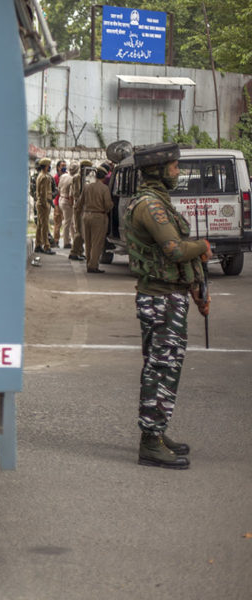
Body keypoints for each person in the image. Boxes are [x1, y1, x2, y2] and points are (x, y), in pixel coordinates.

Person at [121, 142, 211, 470]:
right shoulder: (150, 205)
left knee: (164, 366)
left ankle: (157, 433)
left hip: (165, 297)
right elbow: (173, 249)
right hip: (159, 300)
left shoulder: (158, 201)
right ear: (158, 170)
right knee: (161, 368)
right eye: (173, 166)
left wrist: (195, 287)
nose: (177, 172)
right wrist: (201, 246)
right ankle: (150, 441)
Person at [82, 166, 114, 273]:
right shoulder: (105, 188)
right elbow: (108, 205)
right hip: (99, 217)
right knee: (97, 243)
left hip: (86, 215)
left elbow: (79, 202)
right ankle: (93, 266)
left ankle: (89, 264)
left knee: (88, 242)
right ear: (104, 177)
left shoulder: (87, 187)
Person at [68, 160, 90, 261]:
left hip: (80, 206)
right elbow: (77, 193)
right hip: (79, 207)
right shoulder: (78, 178)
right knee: (79, 231)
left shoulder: (84, 178)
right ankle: (74, 252)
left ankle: (79, 251)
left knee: (81, 230)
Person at [34, 158, 55, 254]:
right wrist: (46, 205)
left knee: (40, 225)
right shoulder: (45, 177)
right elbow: (43, 193)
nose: (49, 167)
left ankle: (38, 245)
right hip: (43, 203)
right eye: (48, 165)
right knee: (45, 226)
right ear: (46, 166)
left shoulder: (40, 176)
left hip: (40, 203)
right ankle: (46, 246)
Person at [57, 161, 76, 249]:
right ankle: (66, 242)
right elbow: (71, 194)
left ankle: (73, 239)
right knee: (68, 223)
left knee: (70, 222)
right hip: (68, 201)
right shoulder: (73, 179)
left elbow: (59, 188)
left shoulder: (63, 176)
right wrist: (73, 205)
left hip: (61, 199)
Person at [51, 160, 66, 246]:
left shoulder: (68, 175)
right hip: (57, 203)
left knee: (67, 223)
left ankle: (66, 241)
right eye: (62, 166)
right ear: (58, 167)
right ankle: (56, 240)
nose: (64, 167)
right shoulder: (55, 178)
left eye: (65, 166)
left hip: (66, 202)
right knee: (57, 223)